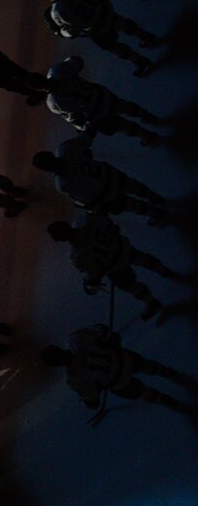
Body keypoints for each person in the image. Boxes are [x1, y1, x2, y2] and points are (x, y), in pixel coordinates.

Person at [48, 213, 173, 319]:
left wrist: (90, 284)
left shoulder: (76, 256)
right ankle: (164, 271)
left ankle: (152, 303)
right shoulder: (84, 220)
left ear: (61, 240)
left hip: (115, 267)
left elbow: (93, 274)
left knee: (131, 286)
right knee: (145, 259)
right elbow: (108, 224)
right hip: (122, 247)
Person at [43, 324, 189, 410]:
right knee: (145, 365)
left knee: (140, 392)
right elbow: (102, 330)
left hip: (117, 381)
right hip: (122, 358)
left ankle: (163, 399)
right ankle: (166, 372)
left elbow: (92, 400)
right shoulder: (74, 339)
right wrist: (111, 339)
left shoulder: (74, 379)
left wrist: (89, 400)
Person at [35, 0, 157, 75]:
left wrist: (66, 31)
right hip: (103, 10)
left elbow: (74, 30)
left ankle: (139, 61)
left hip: (96, 28)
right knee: (123, 23)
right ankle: (145, 36)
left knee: (112, 46)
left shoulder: (57, 12)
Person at [32, 136, 168, 223]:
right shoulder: (64, 149)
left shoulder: (63, 183)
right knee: (134, 186)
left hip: (106, 192)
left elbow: (86, 198)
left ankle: (155, 213)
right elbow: (85, 140)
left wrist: (92, 208)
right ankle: (156, 198)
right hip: (109, 173)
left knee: (130, 204)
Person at [45, 56, 163, 145]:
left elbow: (75, 117)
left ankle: (147, 136)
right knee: (125, 107)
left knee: (121, 125)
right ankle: (148, 116)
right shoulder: (57, 70)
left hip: (95, 112)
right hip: (101, 94)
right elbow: (77, 62)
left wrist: (83, 130)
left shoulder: (54, 101)